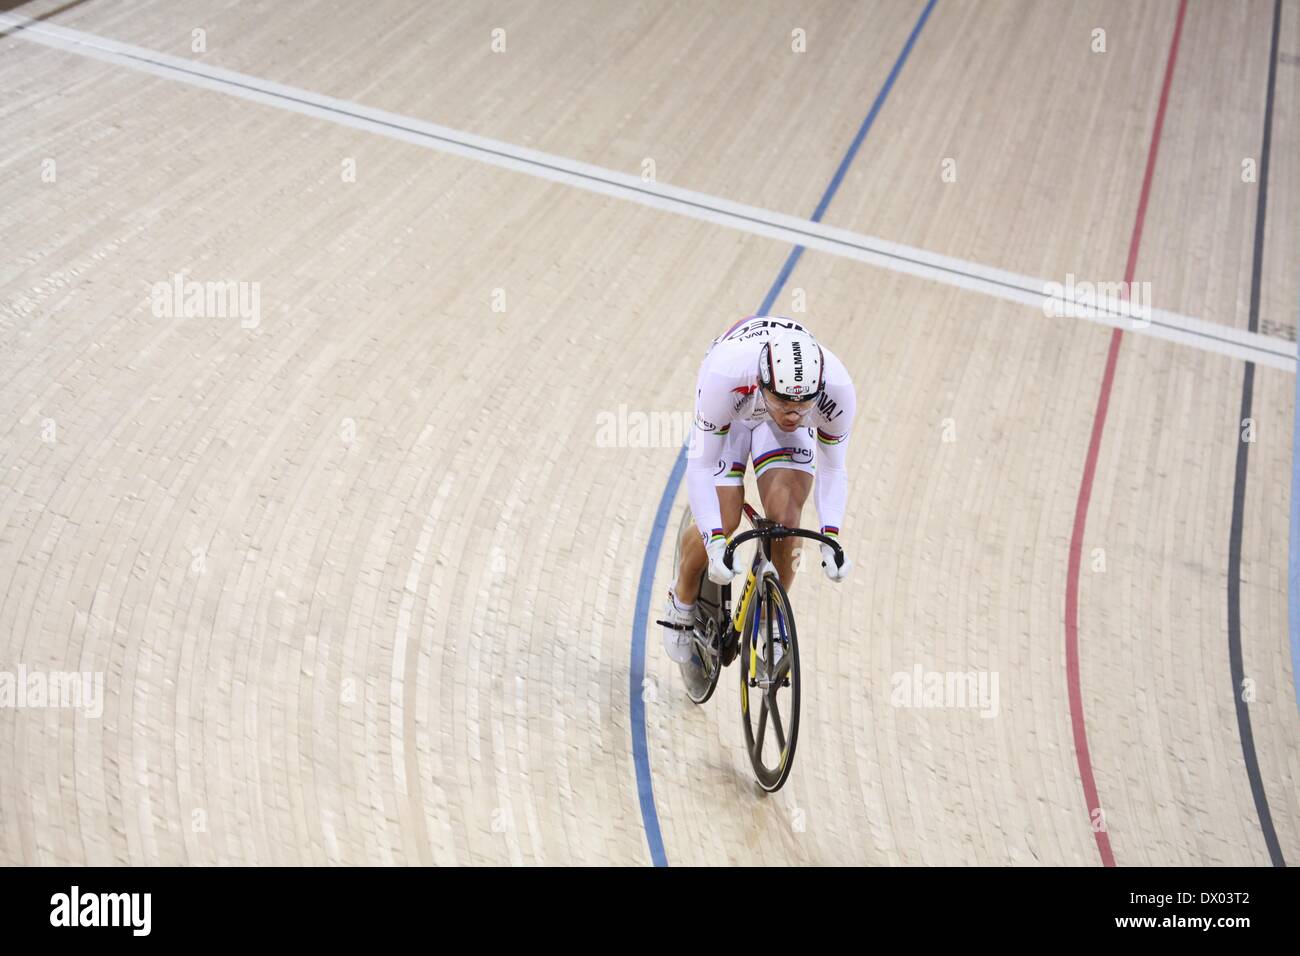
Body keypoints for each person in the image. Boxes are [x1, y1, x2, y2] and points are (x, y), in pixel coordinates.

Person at [662, 316, 856, 663]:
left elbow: (834, 467)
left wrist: (832, 537)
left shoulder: (837, 391)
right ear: (763, 384)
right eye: (784, 404)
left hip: (768, 401)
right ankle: (683, 596)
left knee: (785, 520)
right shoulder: (725, 376)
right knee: (725, 515)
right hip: (735, 411)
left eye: (803, 407)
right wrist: (715, 540)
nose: (793, 416)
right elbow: (700, 466)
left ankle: (770, 622)